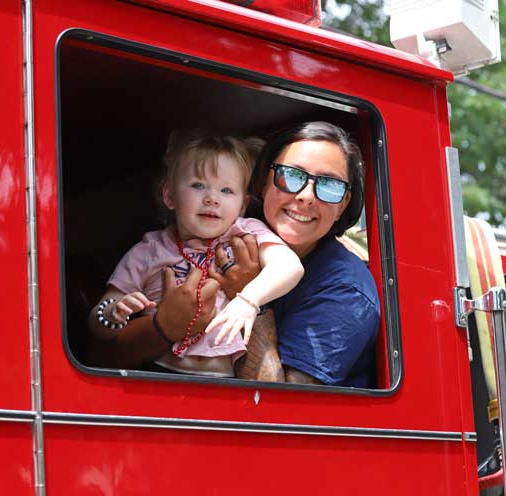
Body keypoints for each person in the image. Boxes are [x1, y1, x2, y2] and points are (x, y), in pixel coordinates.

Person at [88, 131, 303, 378]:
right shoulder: (149, 250)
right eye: (198, 185)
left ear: (243, 206)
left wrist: (248, 299)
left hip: (225, 379)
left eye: (226, 190)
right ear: (169, 195)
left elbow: (290, 267)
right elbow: (97, 323)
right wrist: (113, 313)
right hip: (159, 373)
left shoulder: (246, 233)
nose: (212, 199)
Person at [216, 121, 381, 387]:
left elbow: (282, 411)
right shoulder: (225, 233)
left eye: (329, 185)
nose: (306, 196)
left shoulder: (347, 290)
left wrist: (250, 294)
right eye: (292, 175)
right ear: (263, 182)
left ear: (343, 205)